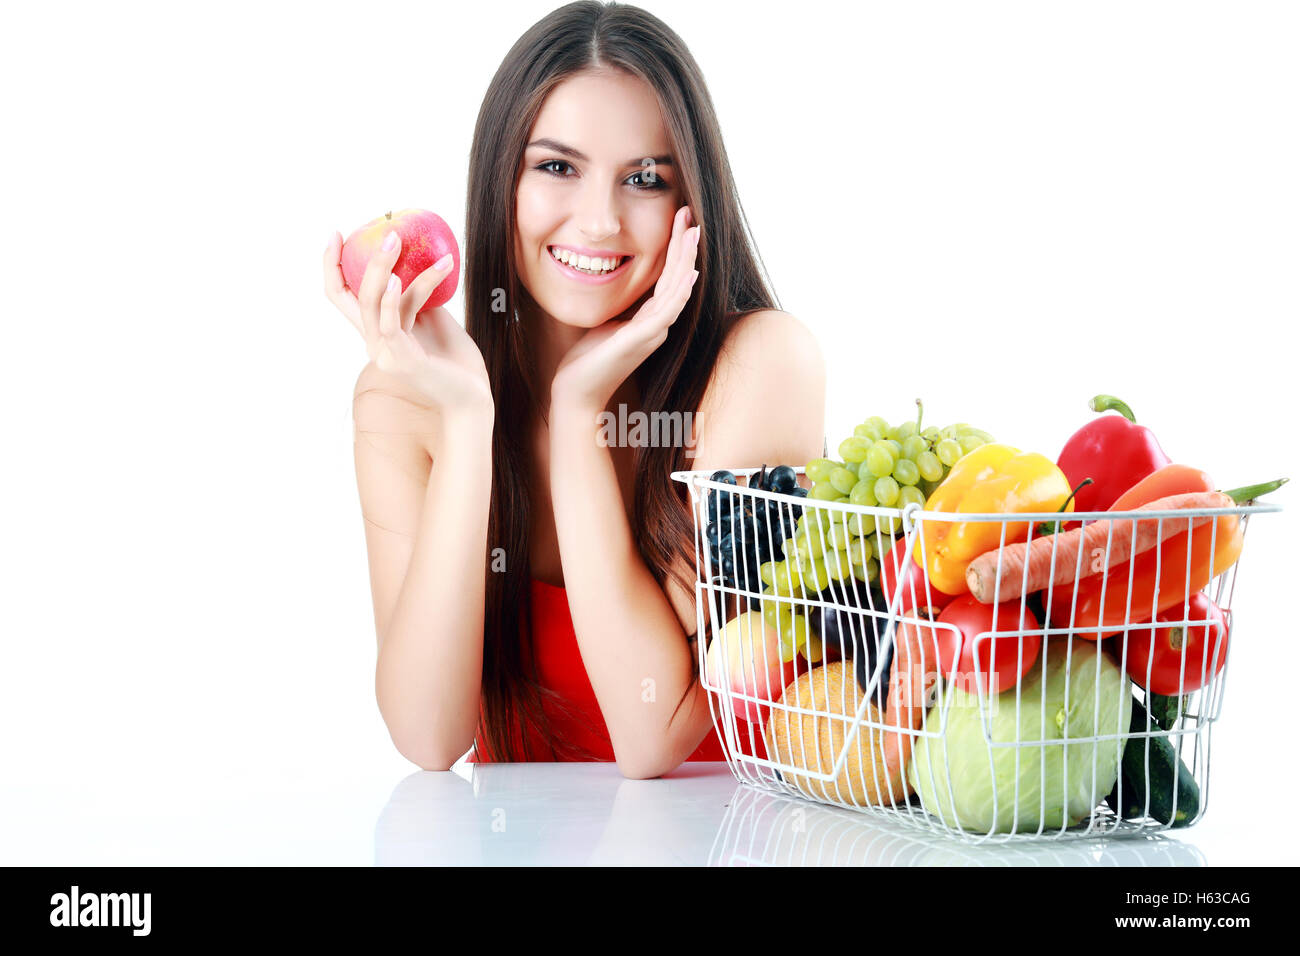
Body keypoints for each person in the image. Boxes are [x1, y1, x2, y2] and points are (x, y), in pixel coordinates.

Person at [322, 1, 825, 776]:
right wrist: (466, 423)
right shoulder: (405, 404)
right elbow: (428, 737)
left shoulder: (759, 365)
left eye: (645, 179)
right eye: (557, 167)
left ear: (692, 203)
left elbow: (653, 734)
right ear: (501, 181)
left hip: (740, 843)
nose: (598, 221)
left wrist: (581, 409)